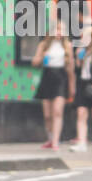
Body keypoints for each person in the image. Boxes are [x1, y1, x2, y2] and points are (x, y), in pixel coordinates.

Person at [31, 18, 74, 149]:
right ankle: (50, 138)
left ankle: (56, 141)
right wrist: (41, 57)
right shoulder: (44, 45)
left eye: (62, 29)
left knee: (57, 111)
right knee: (47, 115)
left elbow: (70, 68)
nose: (59, 32)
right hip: (47, 77)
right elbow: (35, 63)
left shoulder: (67, 46)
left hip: (61, 78)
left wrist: (72, 86)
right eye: (57, 29)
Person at [70, 23, 92, 152]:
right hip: (82, 84)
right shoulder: (83, 52)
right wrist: (78, 59)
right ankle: (82, 142)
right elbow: (77, 71)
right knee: (81, 114)